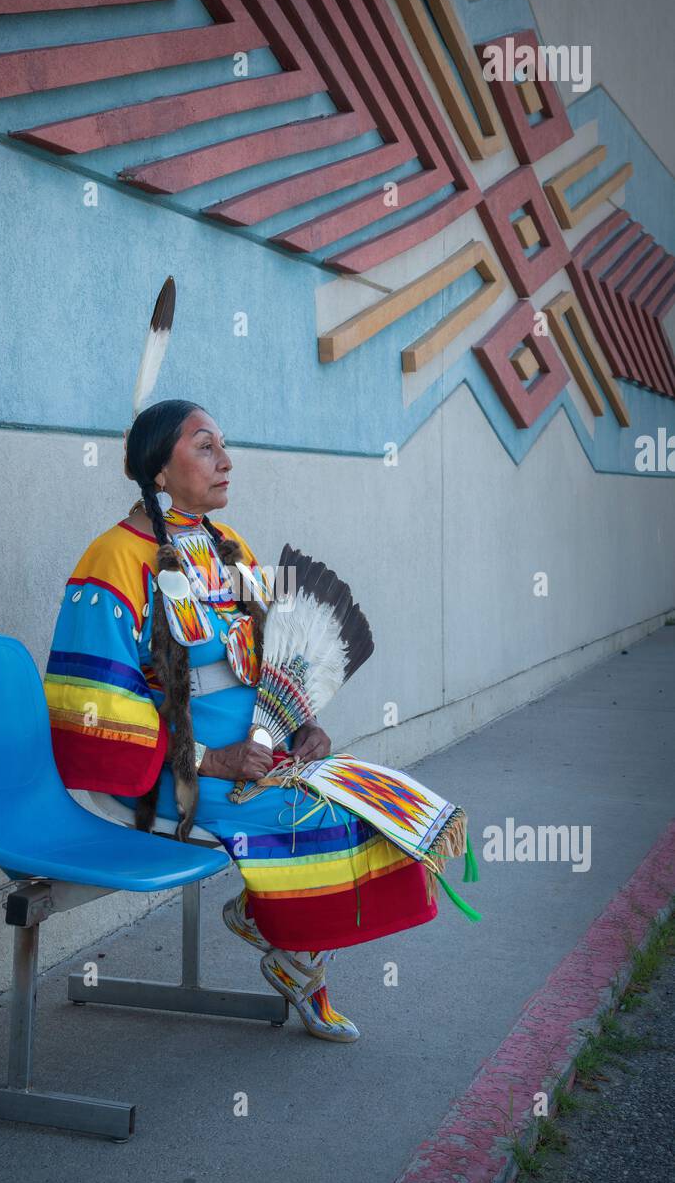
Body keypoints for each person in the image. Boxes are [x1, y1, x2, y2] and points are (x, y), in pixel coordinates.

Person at [43, 399, 464, 1043]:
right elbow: (91, 705)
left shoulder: (230, 549)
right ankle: (301, 965)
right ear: (159, 471)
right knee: (320, 819)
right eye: (206, 447)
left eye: (223, 446)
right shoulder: (112, 561)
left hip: (260, 752)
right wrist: (212, 760)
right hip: (169, 774)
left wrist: (302, 725)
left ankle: (269, 914)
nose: (226, 461)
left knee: (377, 799)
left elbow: (273, 659)